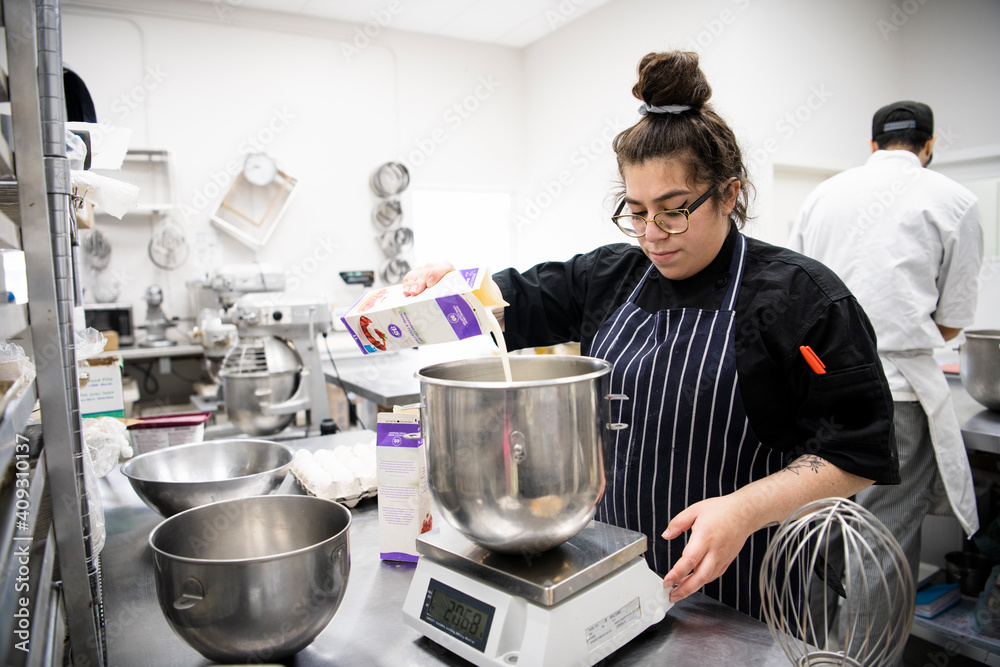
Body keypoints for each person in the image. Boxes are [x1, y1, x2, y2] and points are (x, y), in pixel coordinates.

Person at [403, 51, 898, 621]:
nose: (652, 235)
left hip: (746, 590)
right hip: (613, 575)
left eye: (674, 210)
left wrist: (742, 509)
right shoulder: (609, 275)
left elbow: (857, 454)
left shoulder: (800, 298)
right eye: (636, 211)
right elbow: (506, 304)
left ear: (730, 193)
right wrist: (446, 288)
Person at [788, 101, 984, 587]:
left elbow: (793, 297)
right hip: (895, 397)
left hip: (820, 391)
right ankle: (860, 664)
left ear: (872, 145)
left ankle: (800, 656)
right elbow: (954, 322)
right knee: (881, 540)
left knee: (816, 530)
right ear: (930, 145)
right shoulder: (954, 200)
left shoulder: (822, 196)